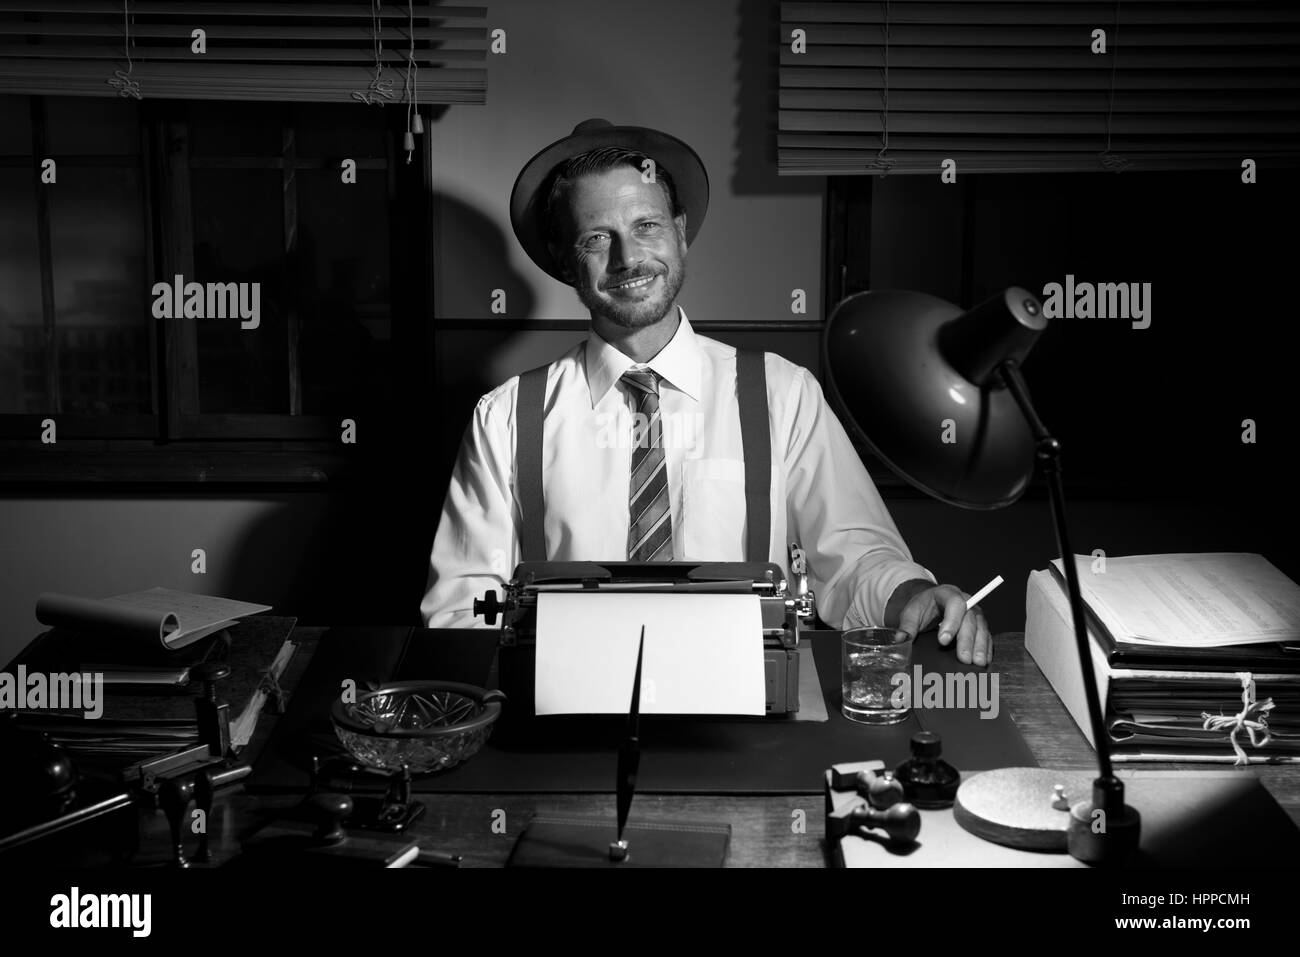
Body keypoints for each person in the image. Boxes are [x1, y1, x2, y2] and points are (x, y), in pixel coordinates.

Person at [421, 119, 992, 665]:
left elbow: (852, 555)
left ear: (680, 232)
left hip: (749, 711)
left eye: (646, 226)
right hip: (568, 719)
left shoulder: (782, 393)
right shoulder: (505, 418)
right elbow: (462, 608)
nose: (628, 258)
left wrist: (908, 594)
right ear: (570, 264)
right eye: (598, 238)